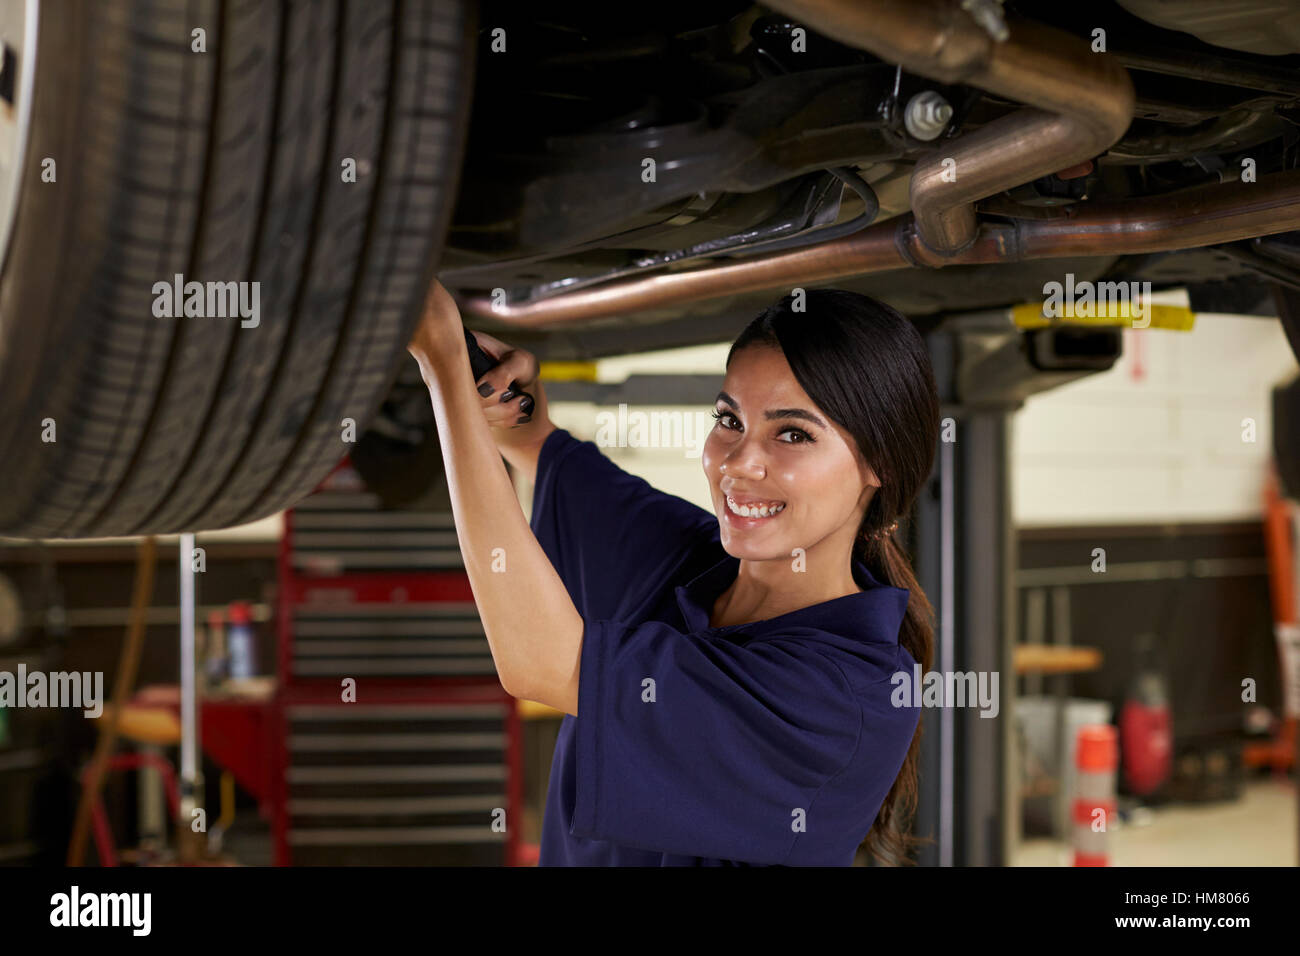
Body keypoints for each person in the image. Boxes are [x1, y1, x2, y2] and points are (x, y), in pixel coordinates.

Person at [408, 284, 940, 866]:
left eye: (792, 434)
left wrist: (444, 365)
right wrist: (508, 398)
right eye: (729, 420)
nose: (739, 463)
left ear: (878, 463)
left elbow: (538, 664)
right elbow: (537, 445)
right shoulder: (691, 558)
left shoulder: (845, 697)